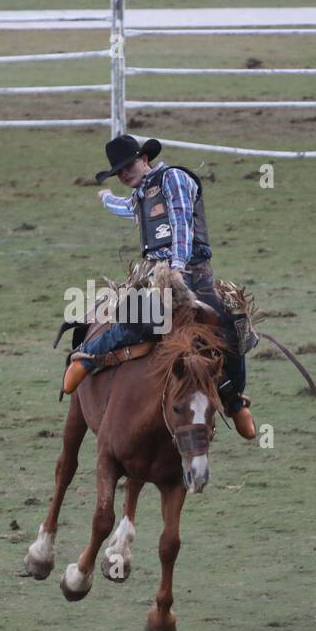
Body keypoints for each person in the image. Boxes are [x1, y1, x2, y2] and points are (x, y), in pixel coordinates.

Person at [63, 134, 255, 439]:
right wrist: (106, 199)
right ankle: (87, 356)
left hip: (193, 272)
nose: (125, 174)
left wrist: (177, 269)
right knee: (136, 320)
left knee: (230, 328)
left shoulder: (174, 178)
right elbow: (129, 209)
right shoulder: (141, 194)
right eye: (119, 172)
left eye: (128, 166)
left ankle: (233, 400)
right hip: (156, 275)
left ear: (144, 159)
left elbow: (181, 222)